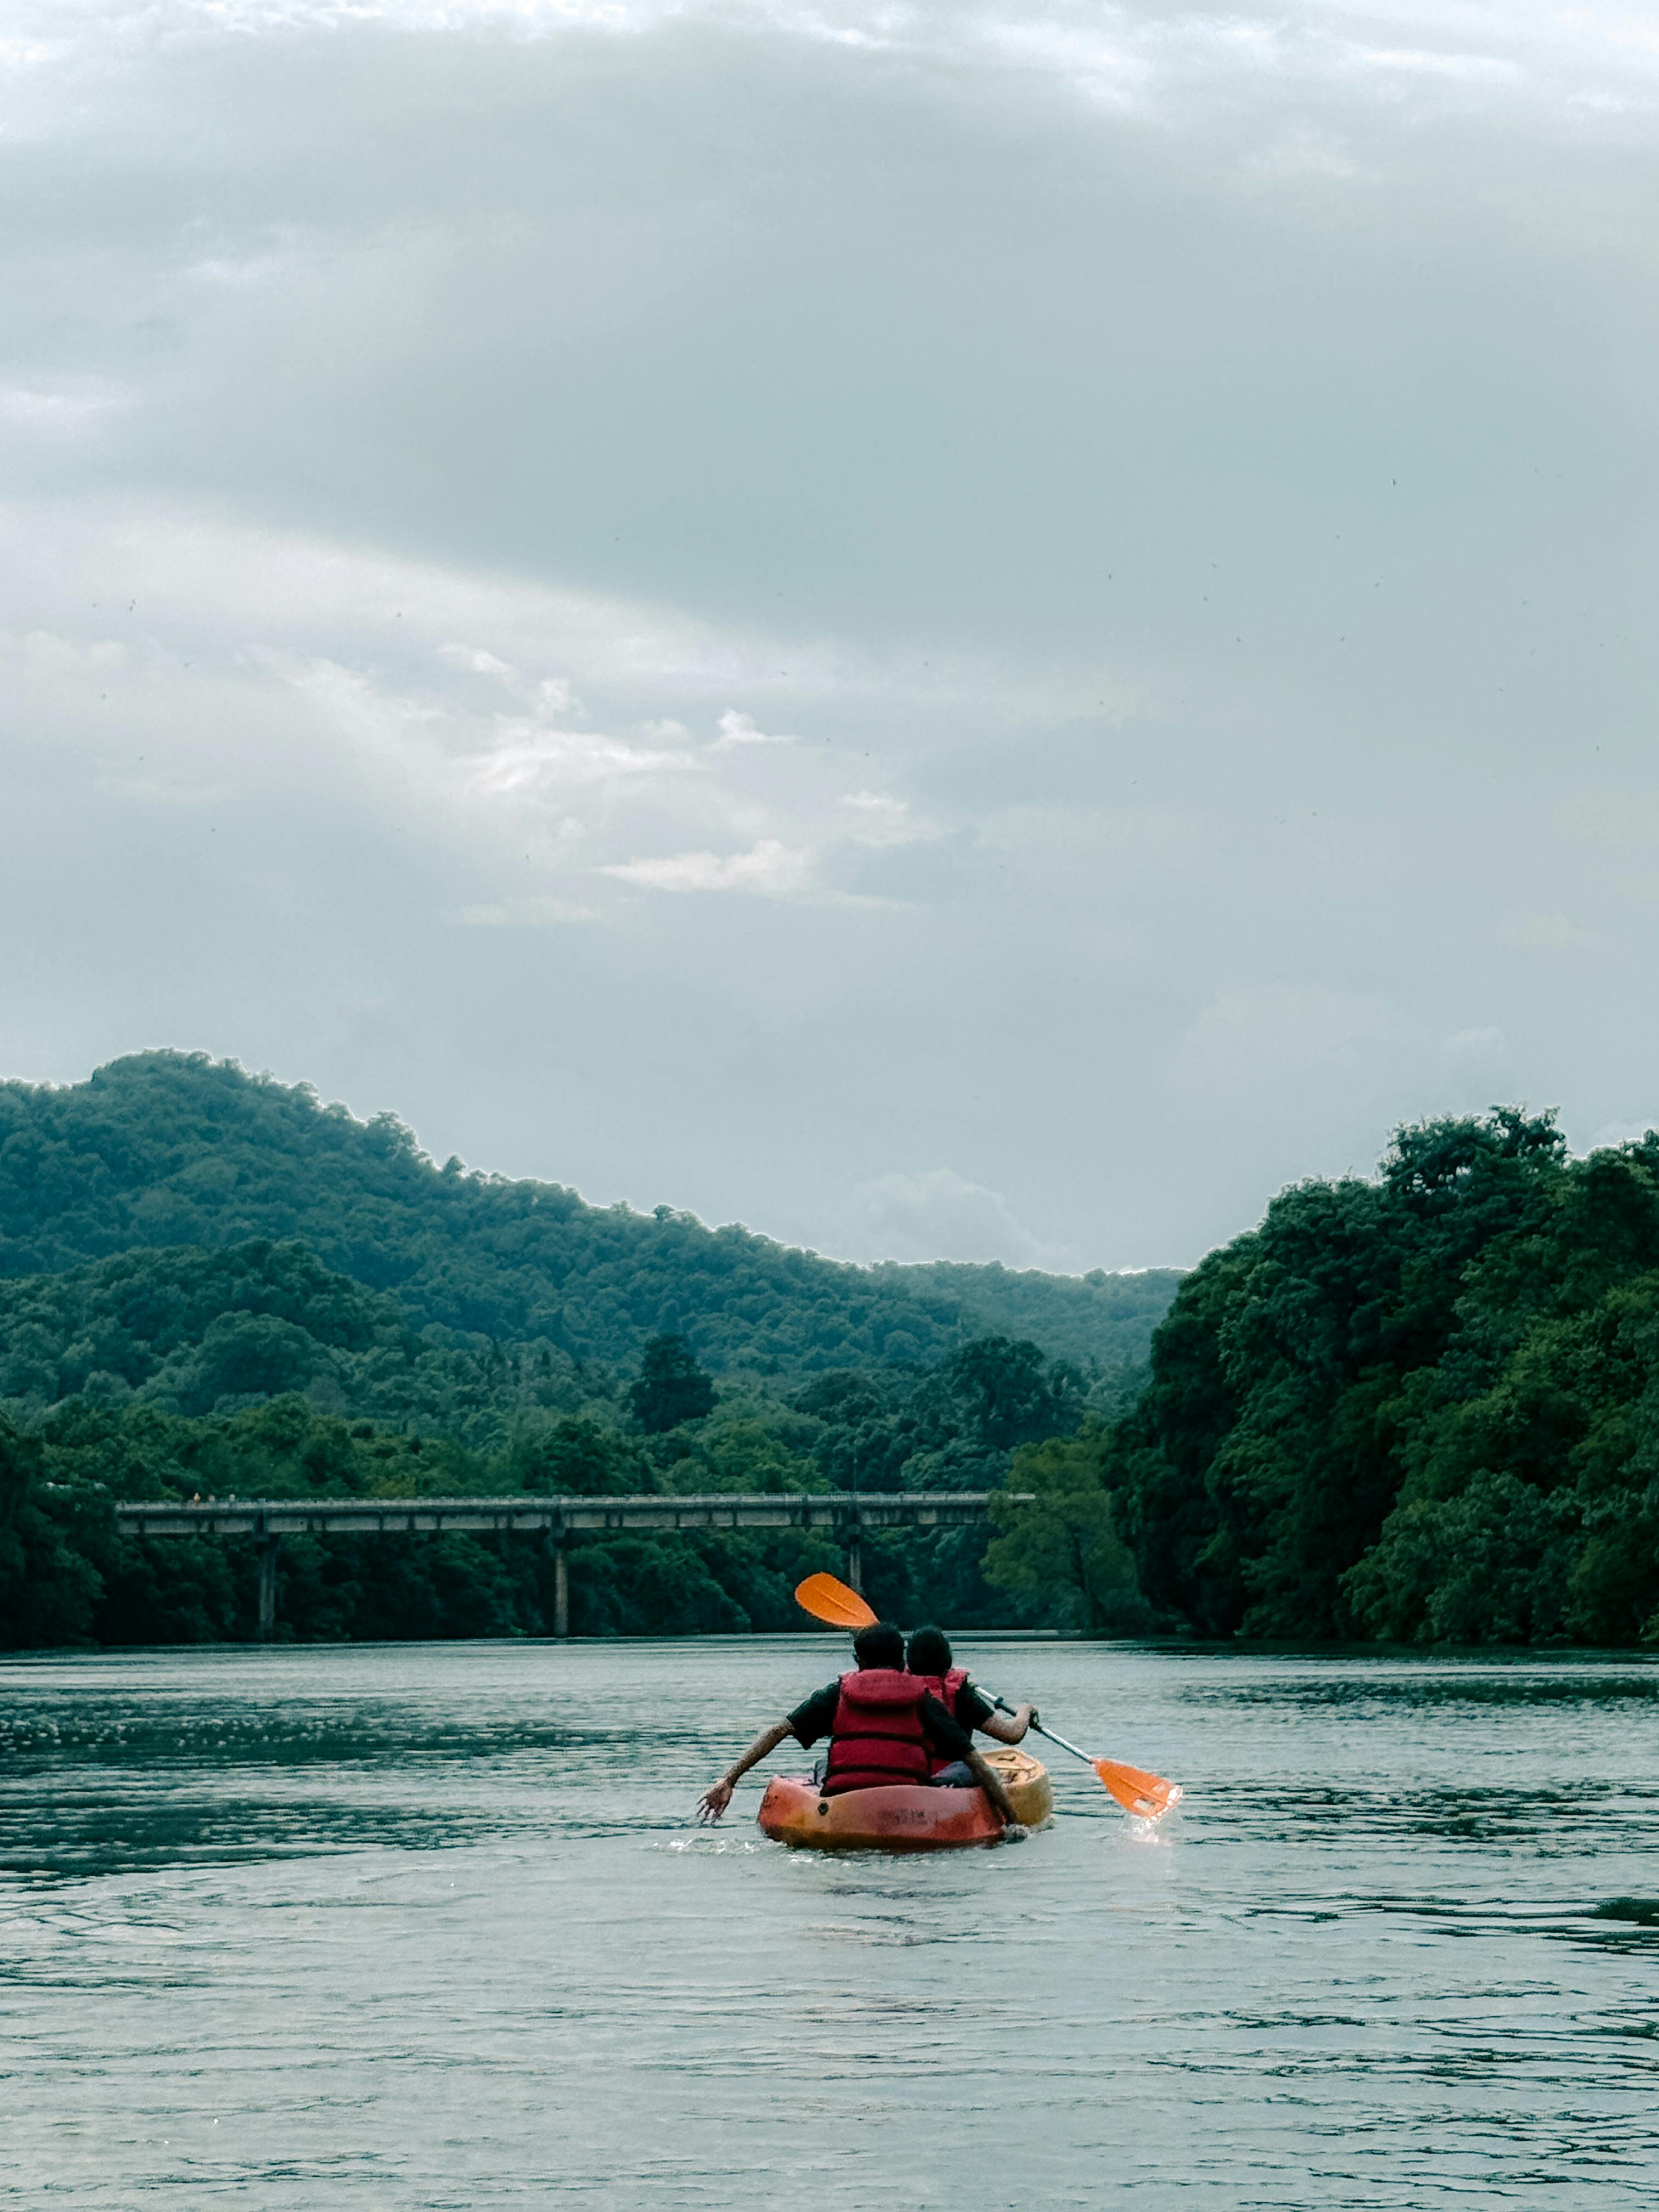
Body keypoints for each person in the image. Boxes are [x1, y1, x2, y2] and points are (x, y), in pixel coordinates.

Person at [697, 1621, 1025, 1835]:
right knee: (975, 1770)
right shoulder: (923, 1700)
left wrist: (730, 1779)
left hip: (843, 1798)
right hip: (906, 1802)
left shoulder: (837, 1693)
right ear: (903, 1662)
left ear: (858, 1661)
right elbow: (975, 1762)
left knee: (822, 1764)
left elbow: (776, 1732)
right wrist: (1012, 1821)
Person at [904, 1625, 1038, 1786]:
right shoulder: (961, 1694)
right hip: (948, 1779)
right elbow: (1012, 1734)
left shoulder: (899, 1689)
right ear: (947, 1657)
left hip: (909, 1775)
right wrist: (1026, 1711)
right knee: (994, 1774)